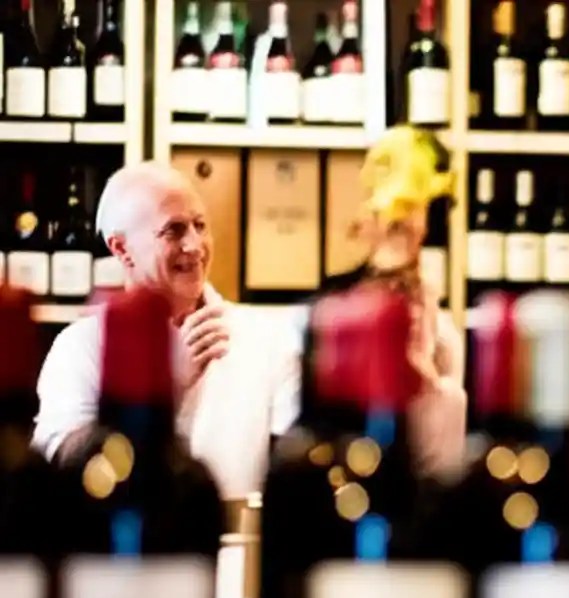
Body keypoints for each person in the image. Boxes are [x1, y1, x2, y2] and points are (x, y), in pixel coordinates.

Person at [32, 151, 466, 498]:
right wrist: (162, 391)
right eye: (173, 230)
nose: (195, 245)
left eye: (200, 226)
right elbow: (61, 462)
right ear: (122, 250)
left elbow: (299, 469)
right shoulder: (81, 347)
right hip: (124, 562)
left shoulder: (265, 337)